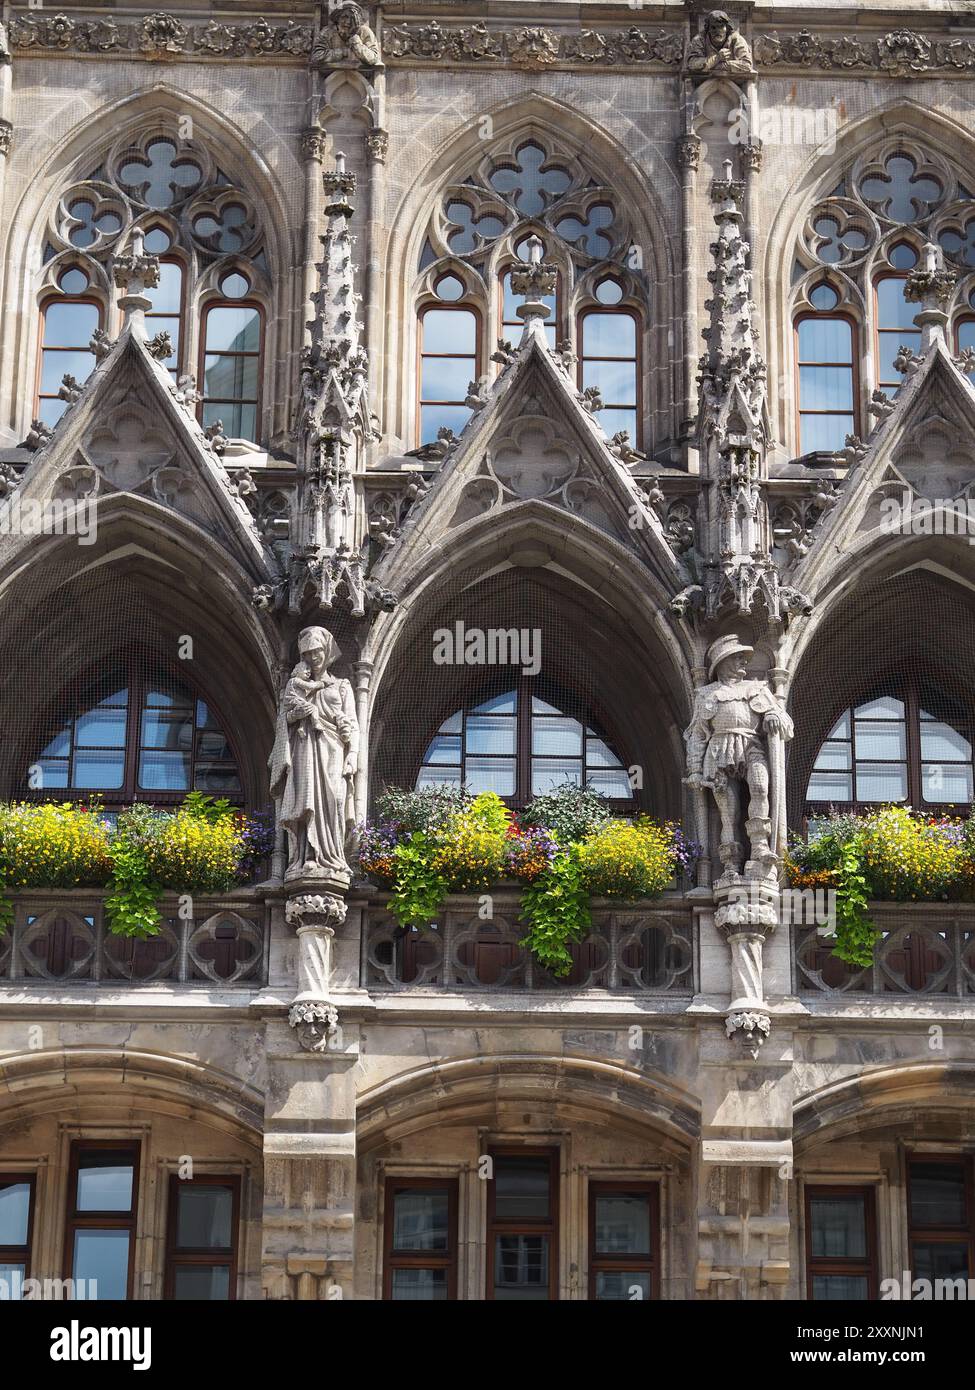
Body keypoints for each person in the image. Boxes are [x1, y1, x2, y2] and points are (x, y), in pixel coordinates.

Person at [269, 626, 359, 880]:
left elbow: (353, 724)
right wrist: (294, 716)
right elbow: (283, 720)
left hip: (333, 748)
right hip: (304, 747)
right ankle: (305, 857)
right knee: (305, 800)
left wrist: (352, 754)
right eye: (307, 653)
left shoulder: (341, 686)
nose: (313, 657)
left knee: (335, 799)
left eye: (317, 651)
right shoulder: (296, 686)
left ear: (326, 650)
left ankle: (334, 857)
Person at [686, 10, 754, 76]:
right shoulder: (700, 39)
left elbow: (746, 65)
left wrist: (715, 65)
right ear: (708, 29)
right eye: (713, 27)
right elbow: (692, 64)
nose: (717, 31)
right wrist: (717, 58)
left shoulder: (736, 39)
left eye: (721, 26)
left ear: (727, 28)